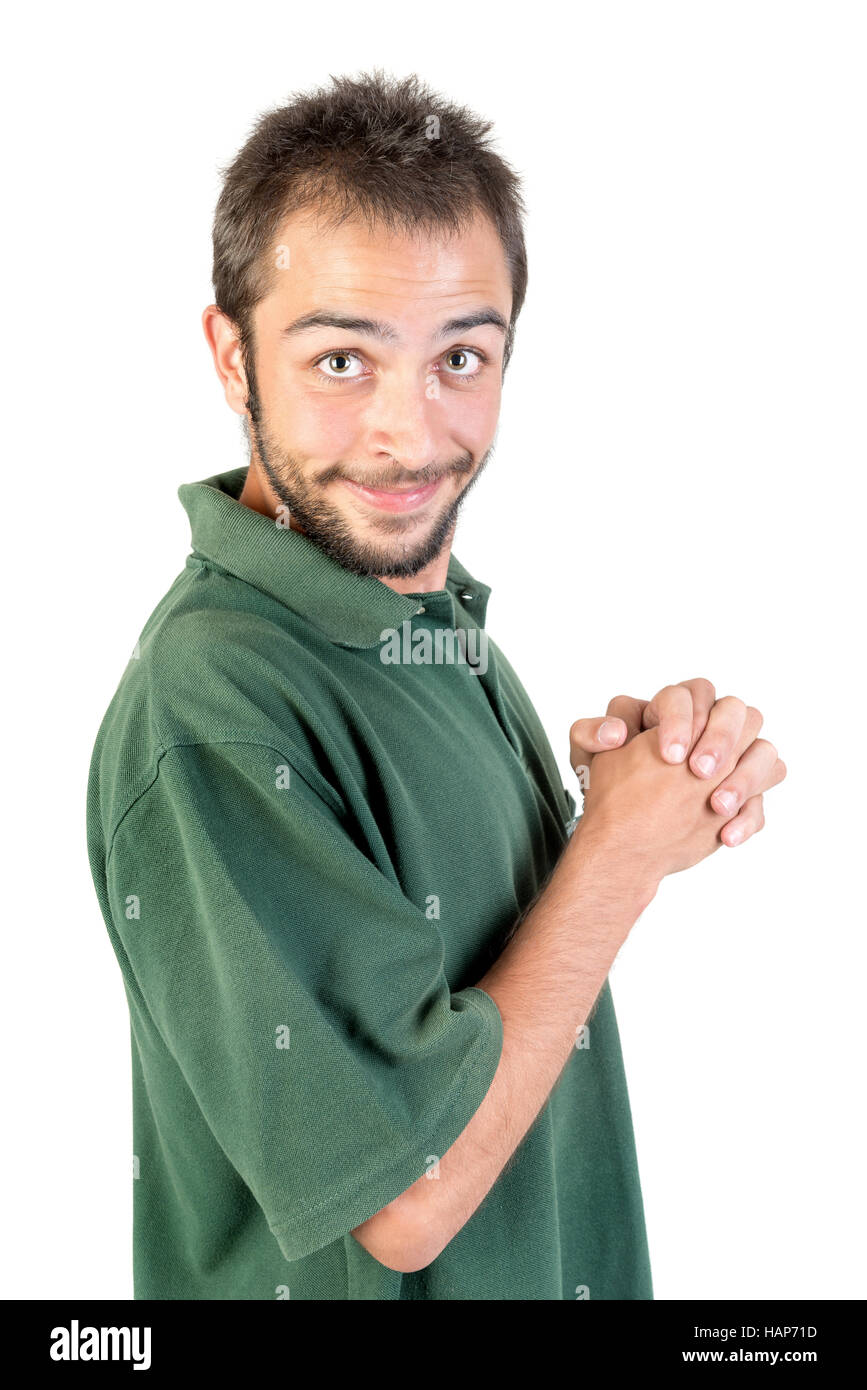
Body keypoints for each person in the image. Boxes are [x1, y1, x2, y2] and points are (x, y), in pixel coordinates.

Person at [86, 69, 786, 1301]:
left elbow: (488, 993)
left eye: (462, 355)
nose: (410, 434)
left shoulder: (432, 624)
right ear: (231, 356)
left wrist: (644, 799)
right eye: (343, 360)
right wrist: (615, 859)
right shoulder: (214, 704)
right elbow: (404, 1198)